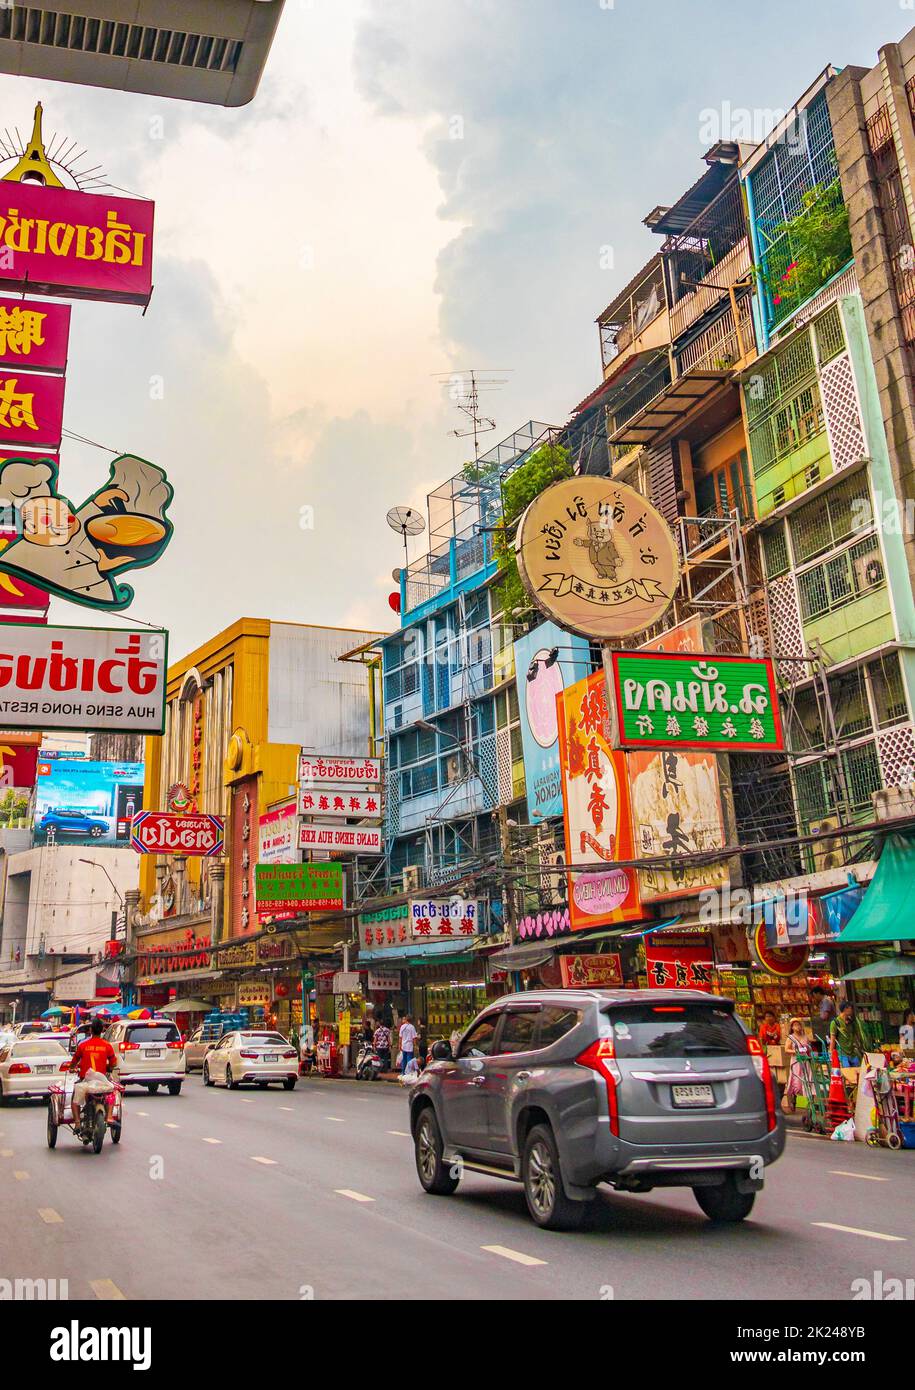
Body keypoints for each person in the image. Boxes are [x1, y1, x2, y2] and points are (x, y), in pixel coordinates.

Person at [71, 1018, 118, 1132]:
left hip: (85, 1081)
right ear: (102, 1030)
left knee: (75, 1098)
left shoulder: (83, 1045)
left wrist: (72, 1067)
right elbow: (113, 1063)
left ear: (91, 1030)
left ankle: (77, 1123)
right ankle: (110, 1116)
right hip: (102, 1082)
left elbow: (74, 1061)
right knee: (112, 1092)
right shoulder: (107, 1046)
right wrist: (109, 1068)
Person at [782, 1017, 813, 1114]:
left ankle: (810, 1103)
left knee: (807, 1080)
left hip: (805, 1061)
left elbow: (809, 1047)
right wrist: (796, 1051)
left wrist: (808, 1051)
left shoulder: (805, 1036)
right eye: (795, 1025)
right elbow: (786, 1049)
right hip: (796, 1061)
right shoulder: (791, 1037)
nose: (797, 1027)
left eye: (799, 1024)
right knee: (796, 1081)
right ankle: (793, 1099)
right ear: (792, 1027)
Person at [830, 1001, 864, 1067]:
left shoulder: (851, 1022)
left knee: (857, 1072)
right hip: (842, 1054)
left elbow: (856, 1036)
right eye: (851, 1008)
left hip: (853, 1053)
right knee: (847, 1073)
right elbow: (832, 1040)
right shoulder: (835, 1023)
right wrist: (831, 1054)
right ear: (846, 1009)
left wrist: (860, 1047)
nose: (852, 1010)